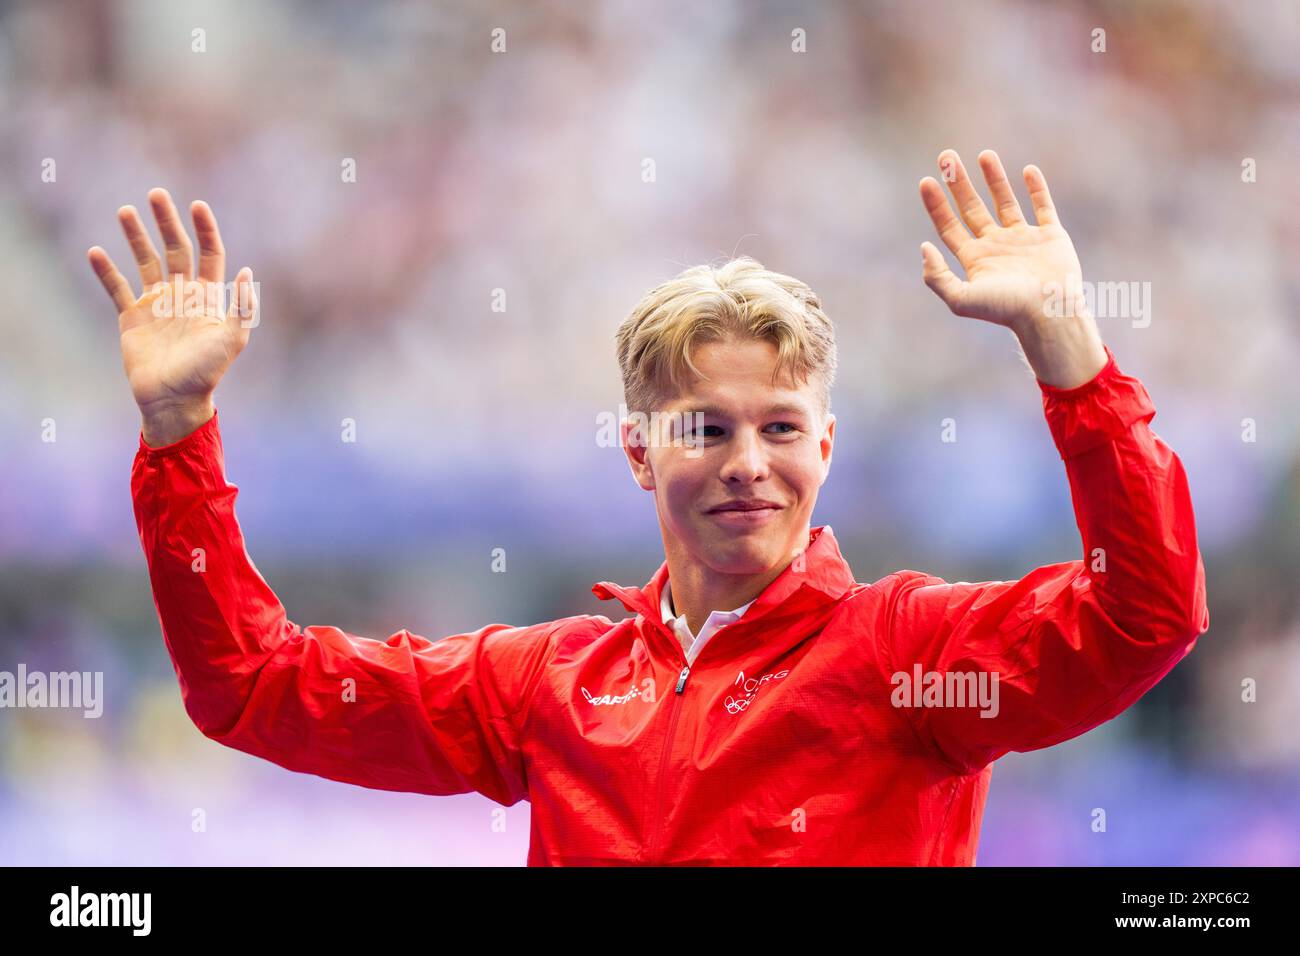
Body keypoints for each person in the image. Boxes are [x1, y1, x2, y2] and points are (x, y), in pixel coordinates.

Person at [88, 149, 1208, 865]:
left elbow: (1144, 617)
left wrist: (1073, 359)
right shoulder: (546, 683)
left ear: (826, 445)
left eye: (778, 427)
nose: (745, 463)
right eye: (703, 428)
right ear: (637, 452)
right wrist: (180, 433)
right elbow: (254, 687)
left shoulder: (905, 653)